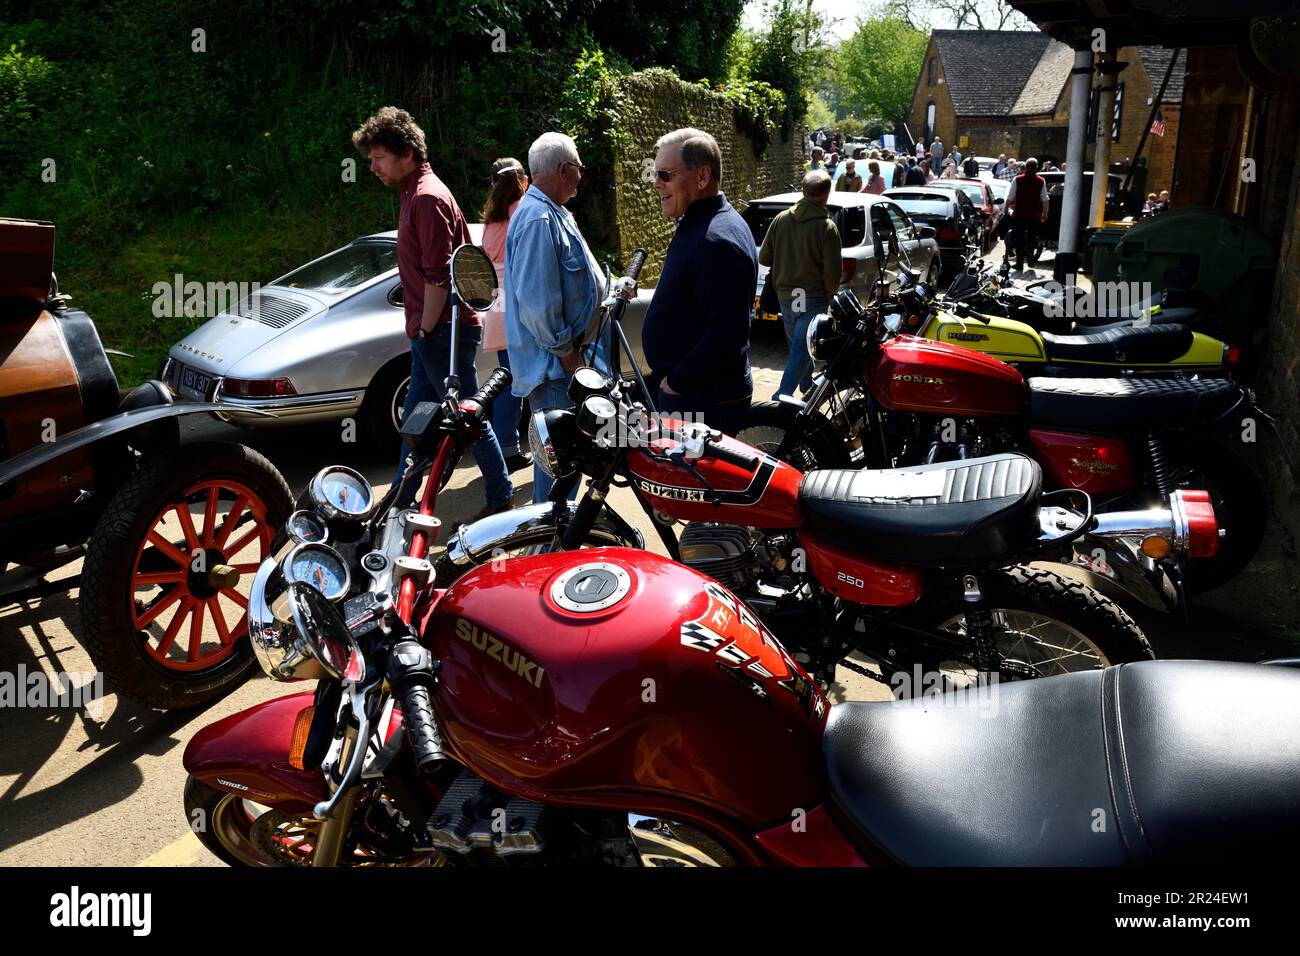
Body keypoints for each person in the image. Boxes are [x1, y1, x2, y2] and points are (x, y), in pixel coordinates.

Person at [354, 107, 513, 520]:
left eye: (378, 158)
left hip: (444, 330)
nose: (372, 167)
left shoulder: (426, 197)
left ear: (406, 152)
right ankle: (400, 499)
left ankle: (499, 495)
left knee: (466, 417)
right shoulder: (414, 191)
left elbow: (439, 276)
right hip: (435, 330)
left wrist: (425, 330)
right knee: (416, 416)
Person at [504, 131, 607, 504]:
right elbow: (537, 301)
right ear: (564, 169)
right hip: (555, 369)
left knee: (565, 460)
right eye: (578, 169)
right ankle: (549, 549)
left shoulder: (550, 211)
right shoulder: (537, 218)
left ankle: (553, 542)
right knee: (560, 463)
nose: (581, 176)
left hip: (562, 364)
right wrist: (566, 353)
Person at [642, 127, 757, 436]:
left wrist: (678, 381)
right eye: (655, 174)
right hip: (697, 393)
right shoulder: (705, 223)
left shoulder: (714, 238)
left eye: (665, 174)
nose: (656, 183)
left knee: (695, 484)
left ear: (702, 177)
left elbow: (728, 331)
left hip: (702, 398)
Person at [759, 170, 841, 401]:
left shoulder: (781, 219)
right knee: (801, 348)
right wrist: (829, 294)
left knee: (798, 344)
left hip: (786, 294)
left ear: (803, 191)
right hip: (812, 296)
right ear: (826, 194)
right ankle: (781, 394)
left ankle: (806, 385)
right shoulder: (827, 228)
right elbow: (833, 272)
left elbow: (764, 257)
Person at [480, 157, 532, 473]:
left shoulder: (491, 220)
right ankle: (509, 448)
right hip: (517, 304)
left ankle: (506, 445)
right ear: (522, 181)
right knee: (521, 381)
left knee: (507, 378)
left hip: (497, 305)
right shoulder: (522, 213)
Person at [1005, 156, 1049, 273]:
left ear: (1025, 168)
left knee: (1019, 239)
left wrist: (1006, 208)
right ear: (1037, 168)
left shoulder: (1017, 180)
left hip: (1019, 214)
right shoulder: (1041, 181)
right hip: (1034, 215)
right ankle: (1030, 258)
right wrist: (1045, 213)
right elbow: (1045, 199)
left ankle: (1019, 264)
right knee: (1032, 238)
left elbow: (1010, 197)